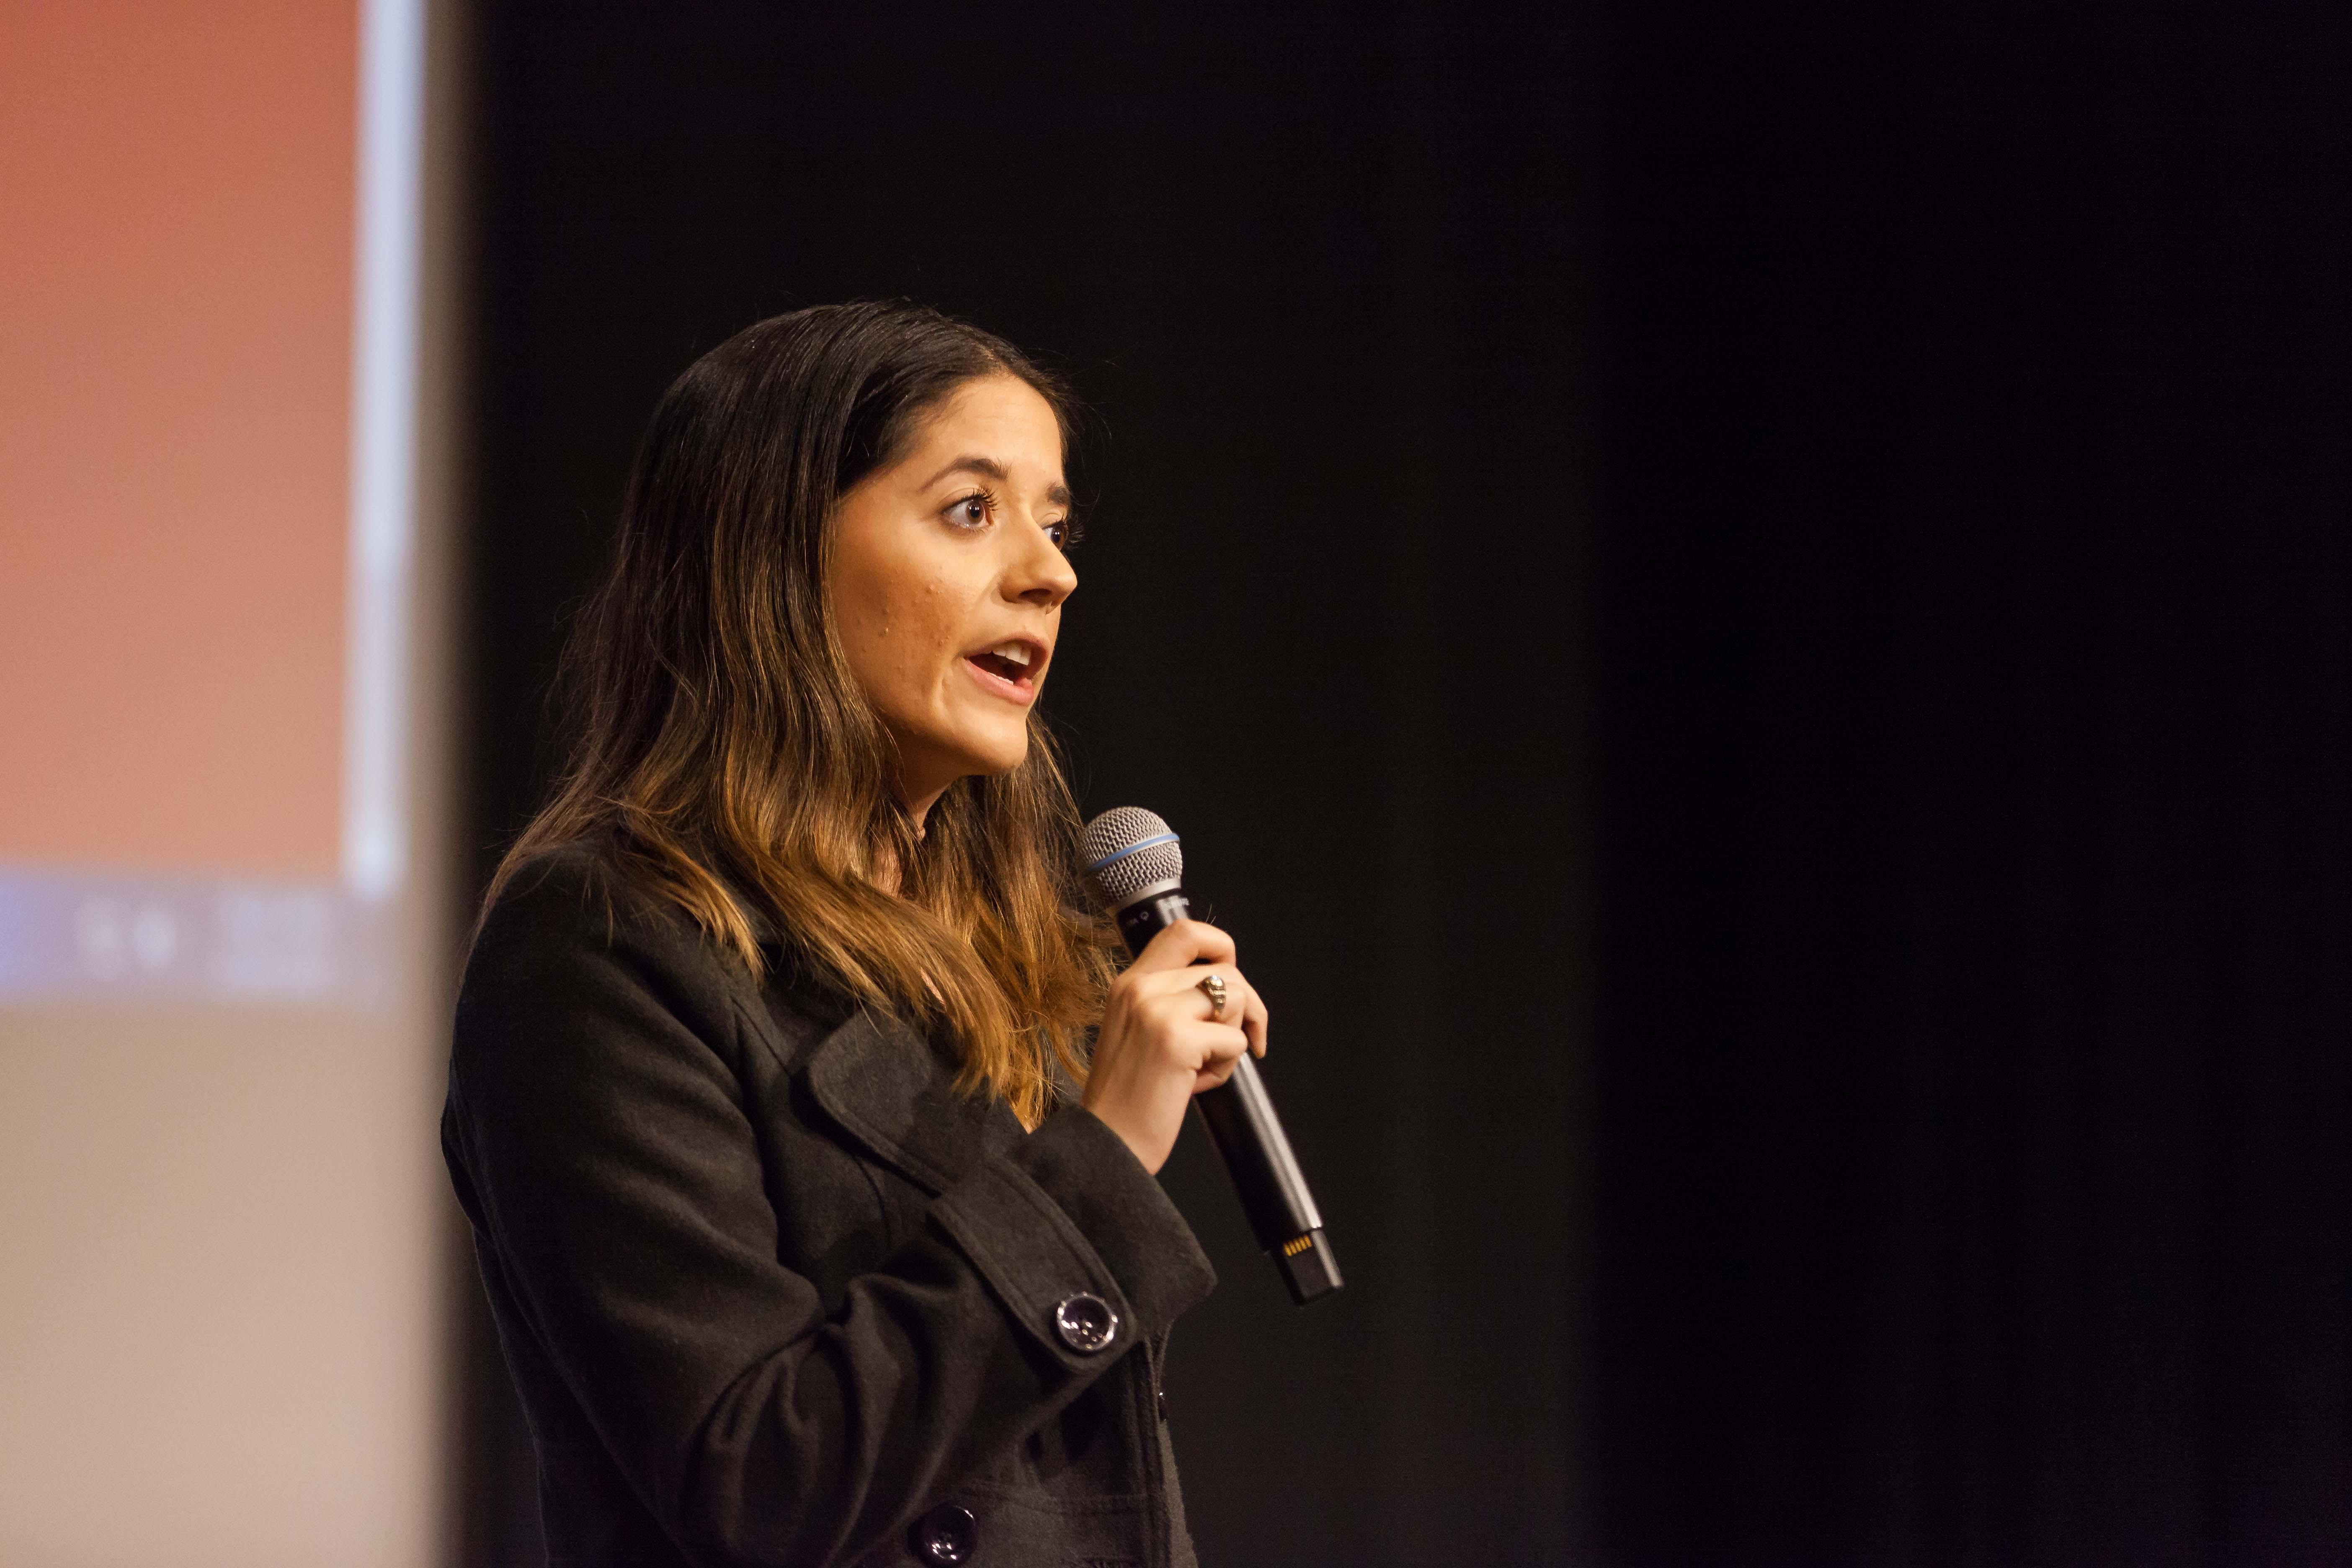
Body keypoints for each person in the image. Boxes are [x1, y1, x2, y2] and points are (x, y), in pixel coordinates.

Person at [441, 301, 1269, 1568]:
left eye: (1054, 524)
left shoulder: (1011, 967)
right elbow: (758, 1478)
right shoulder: (602, 947)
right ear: (772, 551)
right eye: (971, 511)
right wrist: (1101, 1156)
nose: (1053, 572)